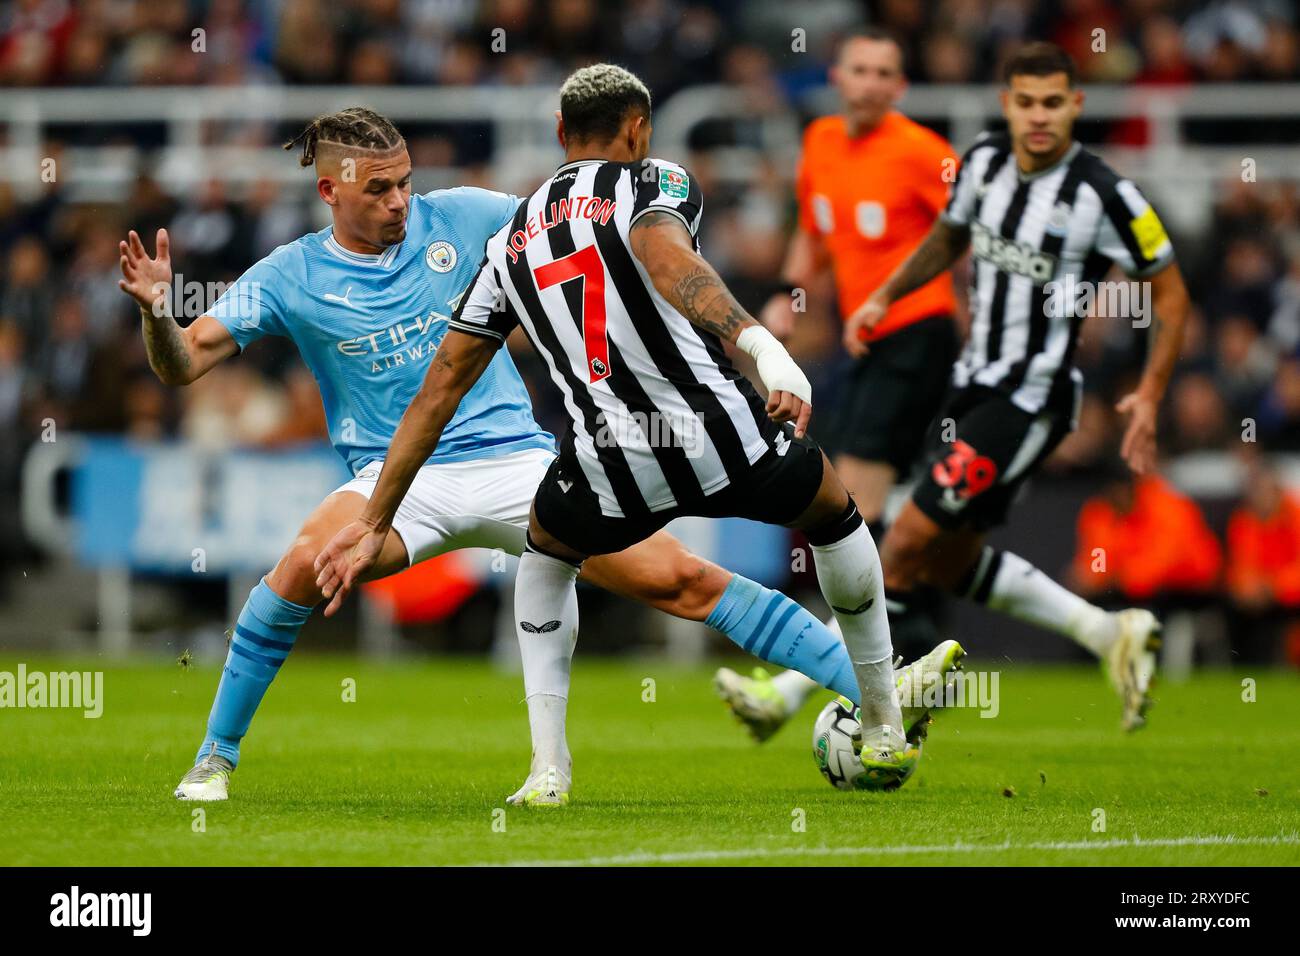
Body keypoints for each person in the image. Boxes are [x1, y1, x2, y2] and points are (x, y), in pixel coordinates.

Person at [117, 107, 950, 806]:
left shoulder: (472, 215)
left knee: (684, 581)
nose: (402, 200)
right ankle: (214, 759)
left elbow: (580, 223)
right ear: (330, 188)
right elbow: (183, 363)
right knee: (301, 565)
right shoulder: (290, 274)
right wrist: (159, 312)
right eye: (379, 189)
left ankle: (879, 688)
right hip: (400, 480)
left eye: (407, 180)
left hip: (521, 461)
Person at [846, 41, 1191, 732]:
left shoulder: (1106, 193)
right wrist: (885, 295)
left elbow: (1173, 294)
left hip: (1030, 402)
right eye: (1027, 103)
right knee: (944, 560)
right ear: (1007, 104)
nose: (1039, 117)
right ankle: (1106, 633)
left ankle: (873, 712)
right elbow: (949, 237)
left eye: (1053, 103)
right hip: (972, 389)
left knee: (902, 543)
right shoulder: (982, 162)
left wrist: (1150, 394)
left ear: (1075, 106)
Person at [721, 26, 962, 725]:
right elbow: (815, 231)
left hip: (918, 333)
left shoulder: (922, 152)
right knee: (863, 519)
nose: (870, 82)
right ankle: (905, 654)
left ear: (900, 87)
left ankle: (795, 691)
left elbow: (967, 231)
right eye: (859, 68)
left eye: (885, 71)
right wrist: (787, 300)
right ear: (840, 75)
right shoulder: (823, 140)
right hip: (869, 343)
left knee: (850, 507)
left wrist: (912, 302)